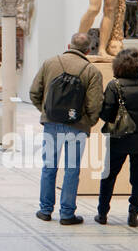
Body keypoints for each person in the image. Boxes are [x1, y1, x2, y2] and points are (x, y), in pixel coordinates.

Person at [28, 32, 104, 225]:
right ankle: (67, 214)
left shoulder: (50, 63)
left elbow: (34, 92)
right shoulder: (92, 71)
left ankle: (45, 210)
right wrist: (87, 122)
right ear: (88, 50)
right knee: (72, 170)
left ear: (69, 46)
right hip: (77, 127)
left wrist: (47, 112)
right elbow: (95, 105)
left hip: (52, 124)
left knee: (49, 167)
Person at [96, 48, 138, 226]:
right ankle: (134, 213)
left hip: (119, 138)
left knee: (109, 175)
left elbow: (107, 115)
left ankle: (102, 213)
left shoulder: (114, 86)